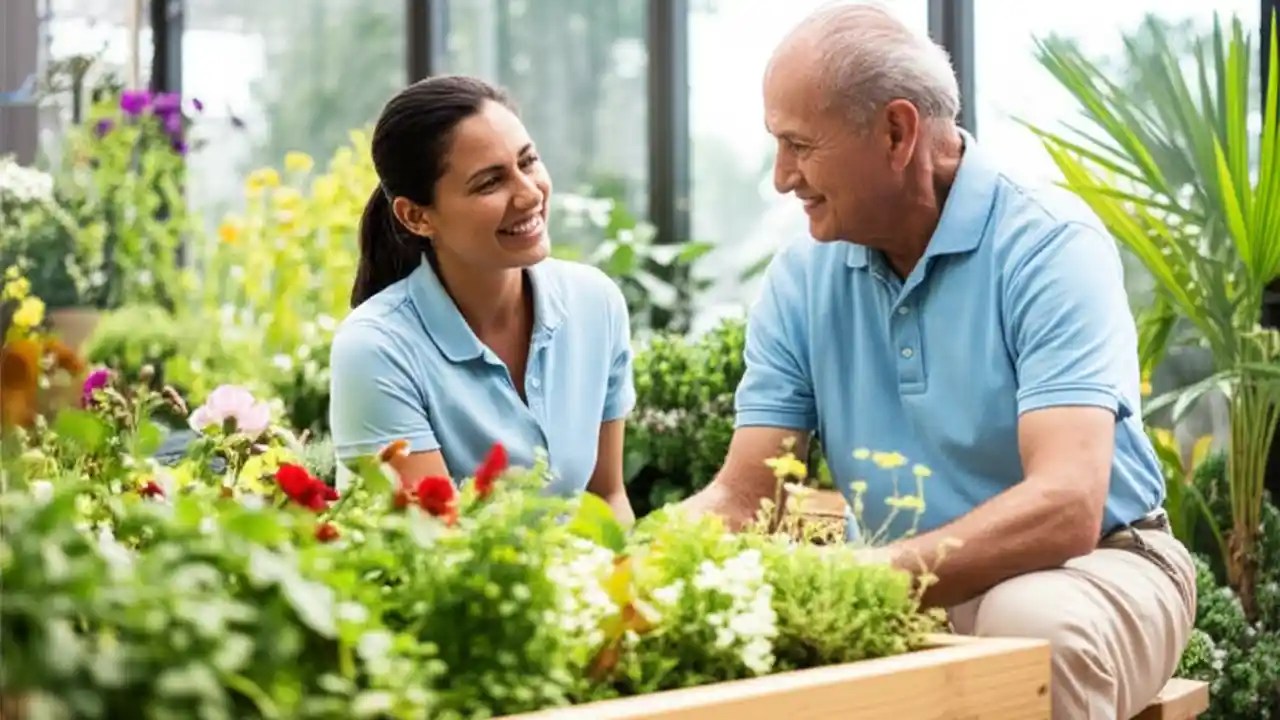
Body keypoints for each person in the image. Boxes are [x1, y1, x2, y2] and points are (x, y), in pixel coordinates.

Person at [679, 4, 1195, 717]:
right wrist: (643, 566)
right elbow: (745, 497)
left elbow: (1068, 507)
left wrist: (863, 578)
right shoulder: (801, 275)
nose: (781, 177)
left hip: (1098, 564)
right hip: (904, 582)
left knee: (1029, 622)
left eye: (799, 145)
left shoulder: (1049, 245)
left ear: (896, 132)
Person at [328, 75, 636, 524]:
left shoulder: (596, 304)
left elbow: (606, 499)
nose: (530, 193)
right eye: (490, 182)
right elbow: (438, 553)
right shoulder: (376, 349)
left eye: (528, 162)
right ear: (417, 216)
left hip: (580, 588)